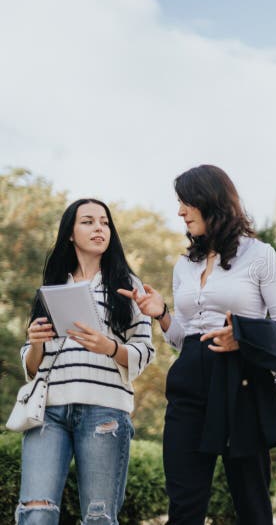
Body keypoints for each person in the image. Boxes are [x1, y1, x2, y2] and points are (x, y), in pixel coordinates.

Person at [120, 165, 276, 524]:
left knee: (251, 502)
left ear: (211, 201)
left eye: (186, 202)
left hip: (242, 386)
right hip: (189, 385)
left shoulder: (260, 255)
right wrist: (162, 314)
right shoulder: (185, 264)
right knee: (184, 503)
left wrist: (242, 338)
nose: (180, 212)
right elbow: (184, 336)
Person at [17, 199, 155, 524]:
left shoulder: (129, 286)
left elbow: (145, 350)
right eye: (88, 222)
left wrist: (109, 347)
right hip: (48, 412)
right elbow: (32, 364)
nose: (99, 229)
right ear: (70, 233)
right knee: (36, 513)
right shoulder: (52, 287)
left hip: (104, 412)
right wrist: (35, 343)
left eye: (104, 223)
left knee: (99, 518)